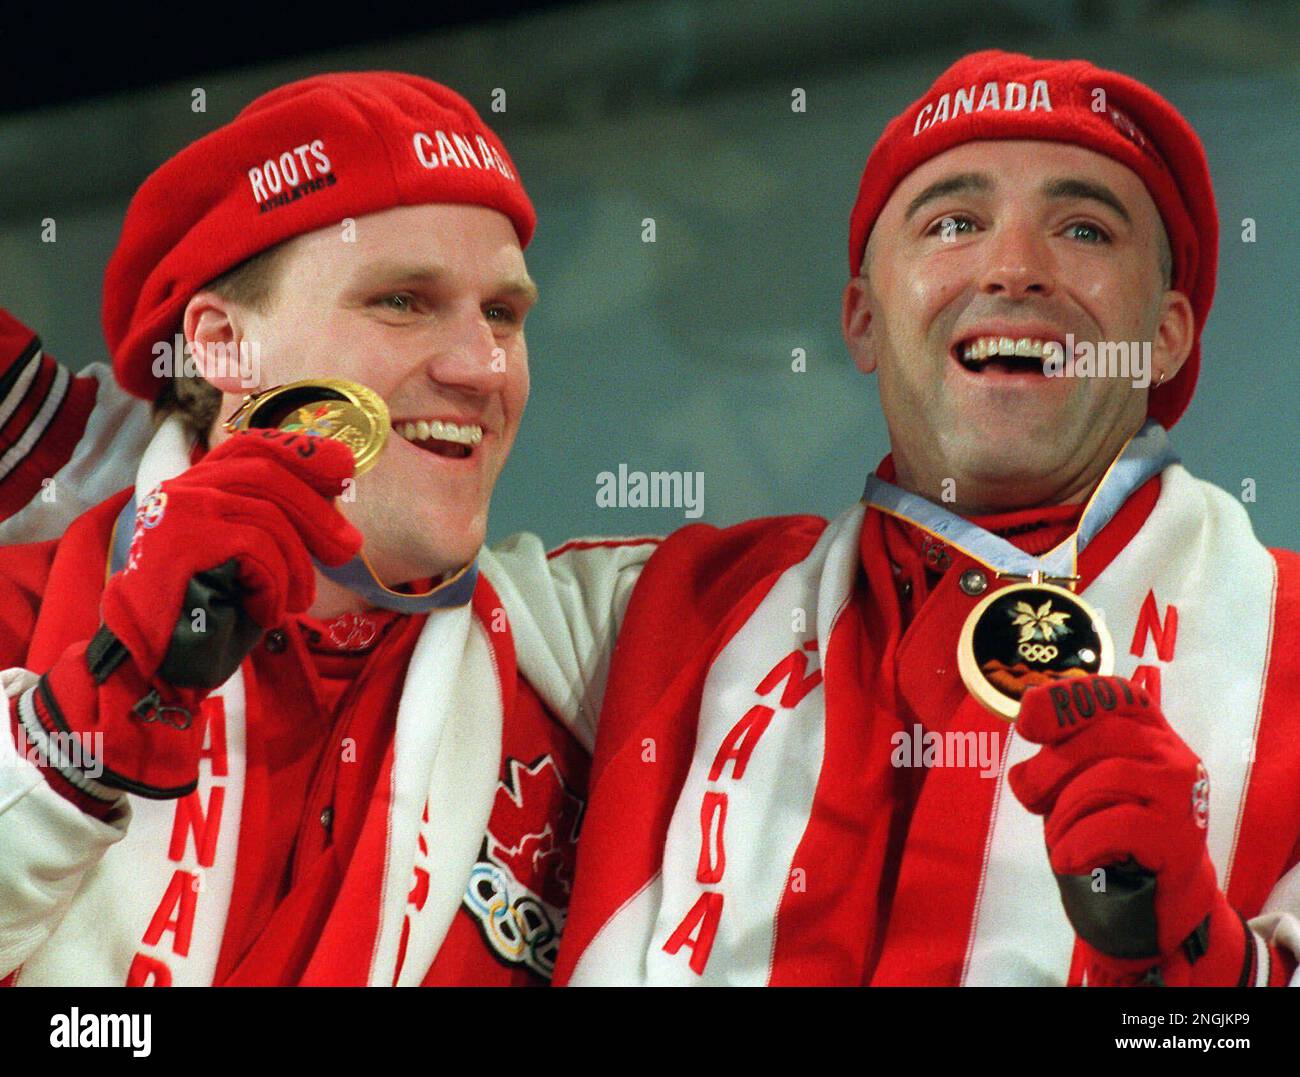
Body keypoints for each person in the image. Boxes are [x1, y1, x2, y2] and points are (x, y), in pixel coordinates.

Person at [551, 50, 1300, 987]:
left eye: (1084, 229)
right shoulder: (657, 617)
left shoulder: (1292, 638)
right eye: (954, 222)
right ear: (861, 321)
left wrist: (1196, 960)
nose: (1015, 268)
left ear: (1167, 335)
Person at [0, 72, 653, 987]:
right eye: (402, 300)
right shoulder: (23, 620)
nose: (481, 366)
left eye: (502, 313)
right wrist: (88, 724)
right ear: (224, 344)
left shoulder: (625, 651)